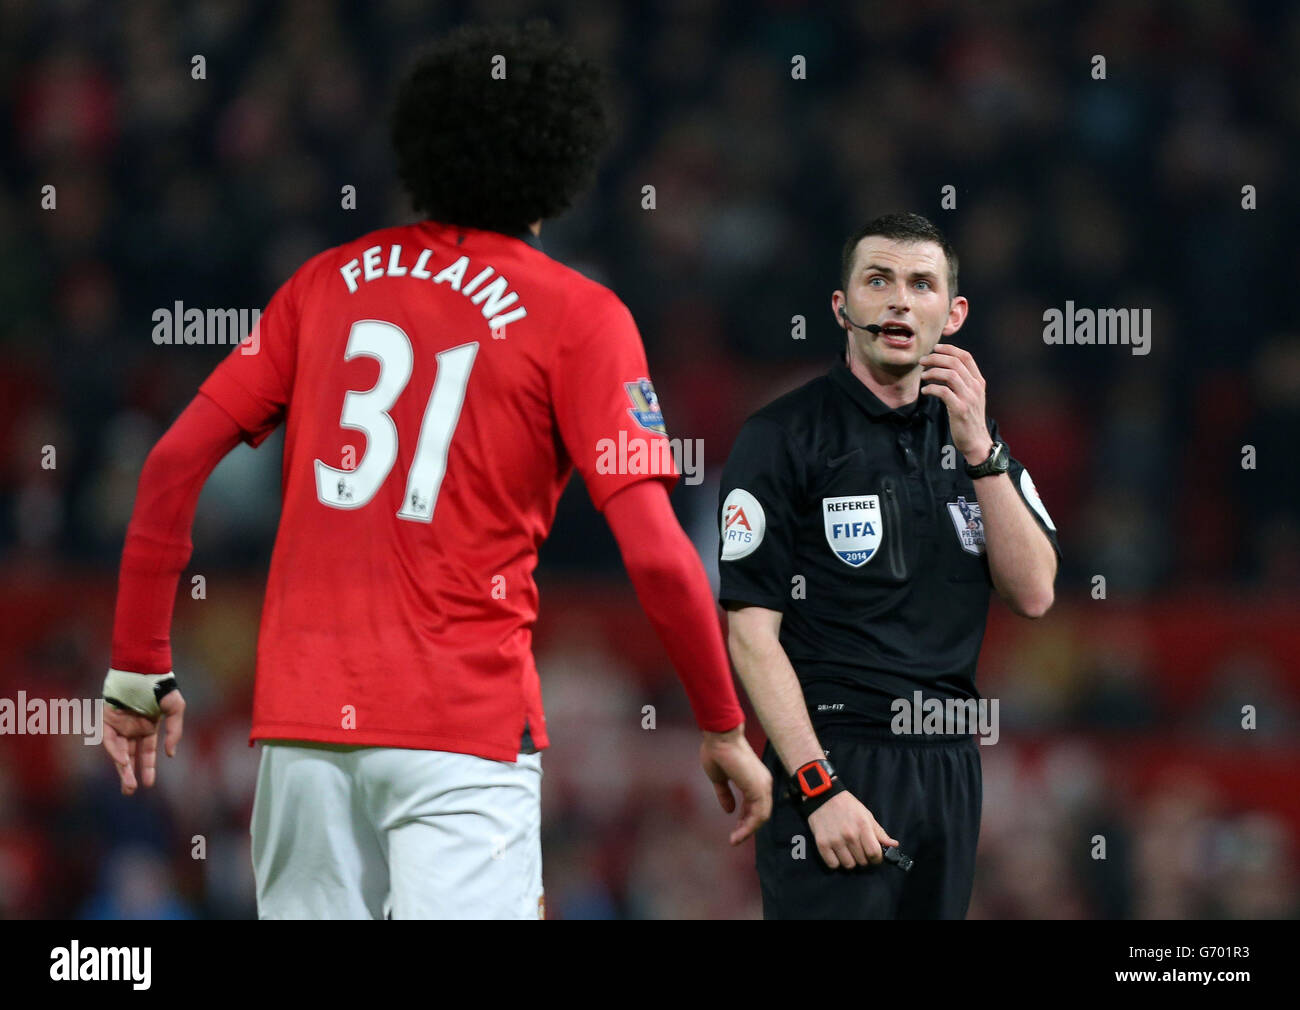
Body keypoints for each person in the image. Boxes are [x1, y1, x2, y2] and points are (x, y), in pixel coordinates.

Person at [100, 22, 771, 920]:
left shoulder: (323, 285)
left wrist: (139, 670)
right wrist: (723, 724)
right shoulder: (581, 316)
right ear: (562, 162)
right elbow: (655, 557)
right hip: (462, 735)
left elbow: (172, 464)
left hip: (302, 736)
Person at [718, 212, 1060, 919]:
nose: (900, 300)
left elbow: (1034, 592)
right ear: (843, 307)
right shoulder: (781, 437)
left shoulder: (976, 443)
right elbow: (750, 634)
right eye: (879, 281)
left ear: (953, 312)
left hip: (951, 761)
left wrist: (980, 452)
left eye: (921, 284)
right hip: (839, 754)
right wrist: (818, 787)